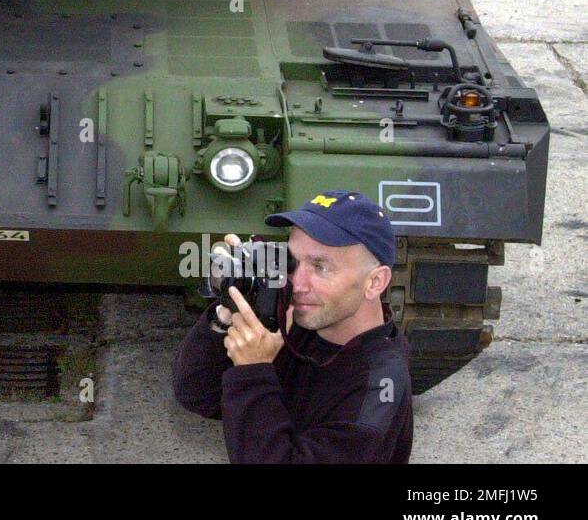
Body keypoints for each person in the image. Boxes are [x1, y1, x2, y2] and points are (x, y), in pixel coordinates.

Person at [173, 190, 413, 463]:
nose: (297, 283)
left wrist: (254, 371)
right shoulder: (299, 321)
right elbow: (197, 392)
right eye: (293, 262)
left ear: (375, 282)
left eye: (320, 267)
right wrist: (228, 311)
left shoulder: (378, 390)